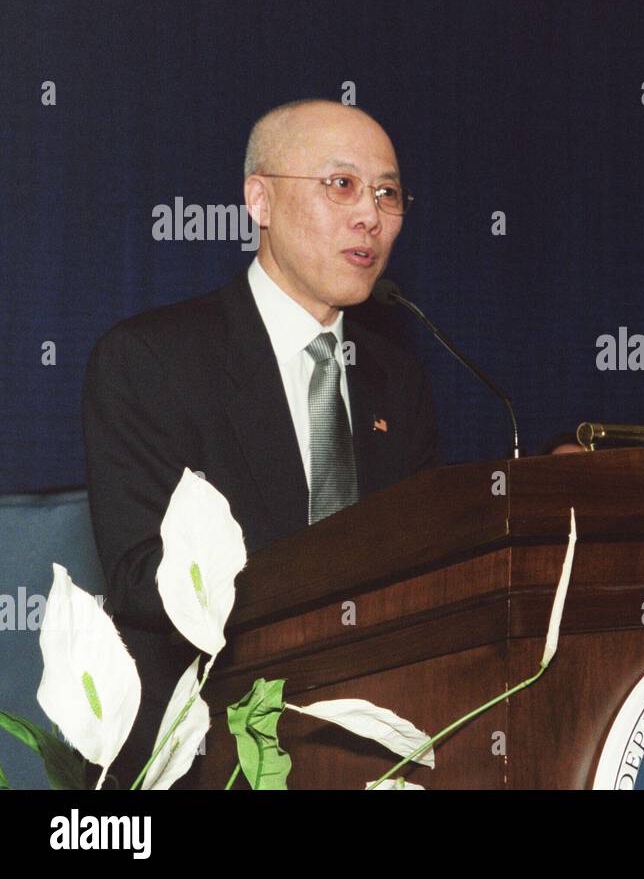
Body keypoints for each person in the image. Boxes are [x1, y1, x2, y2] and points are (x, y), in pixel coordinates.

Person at [81, 99, 438, 786]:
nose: (370, 214)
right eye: (342, 185)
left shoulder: (401, 382)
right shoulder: (152, 360)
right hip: (213, 755)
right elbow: (142, 577)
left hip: (375, 749)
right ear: (260, 201)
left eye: (387, 193)